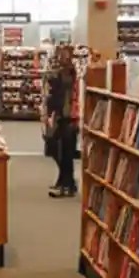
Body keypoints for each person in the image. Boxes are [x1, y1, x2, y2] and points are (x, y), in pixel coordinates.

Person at [44, 45, 79, 198]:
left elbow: (63, 96)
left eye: (65, 55)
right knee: (59, 150)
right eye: (61, 55)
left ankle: (66, 183)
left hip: (69, 118)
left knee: (65, 152)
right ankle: (66, 182)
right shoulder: (61, 74)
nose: (62, 58)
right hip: (61, 117)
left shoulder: (73, 75)